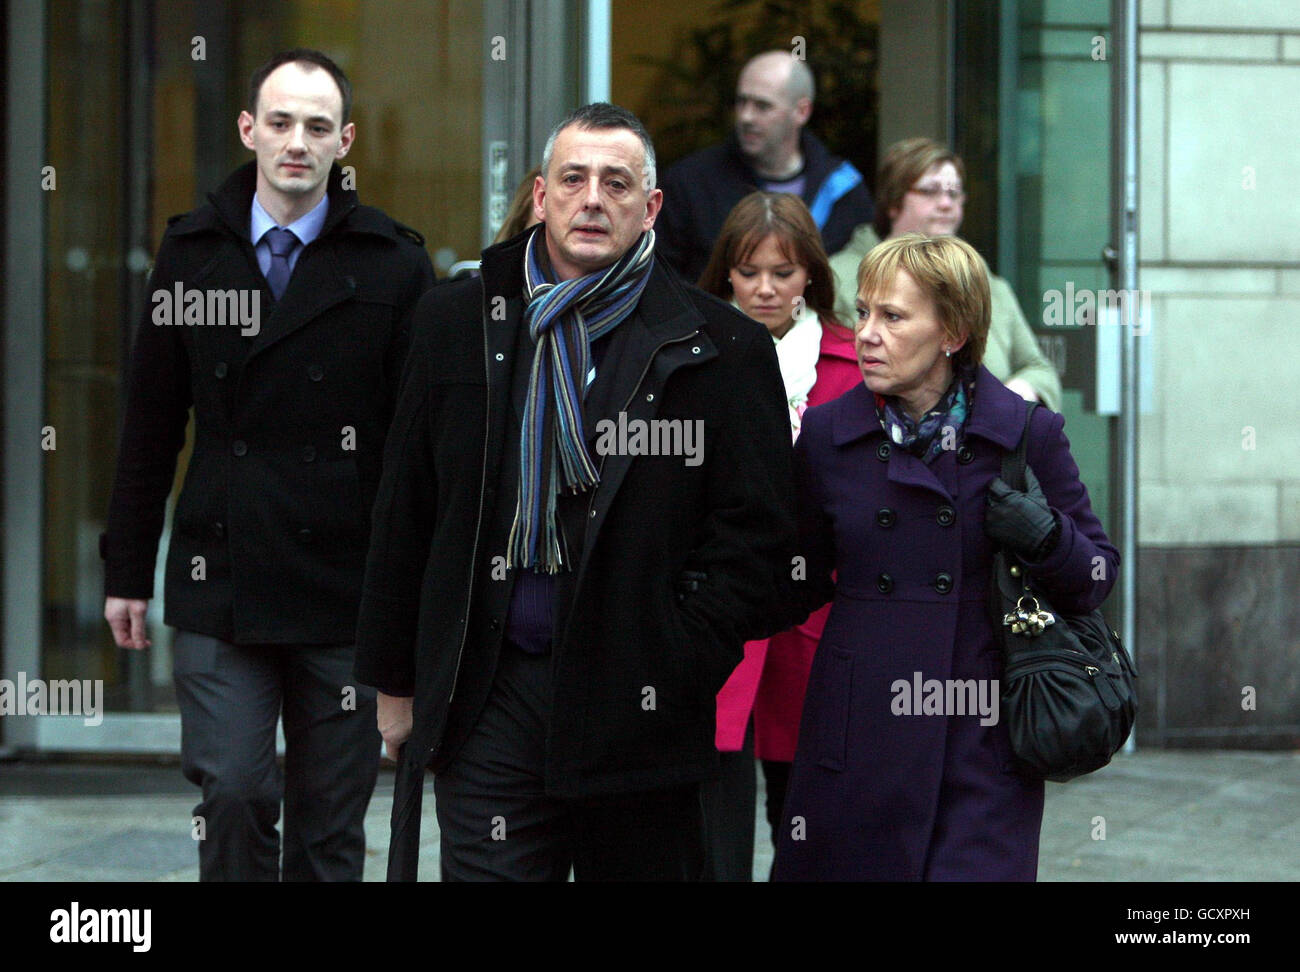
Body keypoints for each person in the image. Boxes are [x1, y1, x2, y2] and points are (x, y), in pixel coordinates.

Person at [353, 102, 795, 882]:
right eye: (574, 178)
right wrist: (395, 682)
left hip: (641, 711)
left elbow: (755, 540)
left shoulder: (721, 348)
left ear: (650, 206)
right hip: (487, 695)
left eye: (617, 183)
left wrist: (680, 652)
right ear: (539, 194)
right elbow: (407, 507)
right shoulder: (459, 320)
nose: (593, 198)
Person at [100, 49, 435, 881]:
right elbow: (149, 425)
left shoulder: (393, 263)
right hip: (223, 573)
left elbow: (415, 449)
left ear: (344, 140)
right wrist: (127, 569)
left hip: (346, 587)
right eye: (280, 122)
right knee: (237, 793)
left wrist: (416, 593)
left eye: (317, 126)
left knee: (331, 824)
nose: (297, 141)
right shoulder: (191, 253)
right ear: (249, 129)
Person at [772, 234, 1117, 880]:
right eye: (866, 312)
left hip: (978, 742)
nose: (867, 334)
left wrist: (1042, 534)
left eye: (893, 317)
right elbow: (792, 579)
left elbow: (1095, 576)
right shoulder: (826, 436)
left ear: (953, 332)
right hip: (858, 736)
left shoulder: (1023, 436)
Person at [695, 192, 860, 880]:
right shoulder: (688, 353)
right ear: (725, 274)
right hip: (717, 622)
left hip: (815, 621)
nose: (765, 288)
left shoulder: (857, 367)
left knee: (811, 835)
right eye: (749, 270)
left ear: (812, 278)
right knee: (713, 847)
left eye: (784, 273)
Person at [829, 137, 1062, 410]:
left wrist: (1012, 397)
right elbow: (835, 374)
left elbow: (1038, 368)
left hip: (994, 438)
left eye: (954, 193)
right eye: (930, 191)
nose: (945, 203)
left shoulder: (985, 281)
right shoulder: (839, 276)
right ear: (893, 202)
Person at [657, 50, 874, 284]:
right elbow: (662, 280)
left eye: (762, 106)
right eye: (742, 102)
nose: (746, 117)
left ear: (802, 111)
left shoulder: (843, 189)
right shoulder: (690, 182)